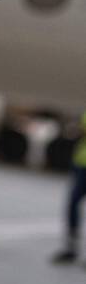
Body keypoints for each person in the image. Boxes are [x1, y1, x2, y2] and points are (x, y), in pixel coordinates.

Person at [50, 111, 86, 264]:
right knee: (73, 204)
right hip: (82, 164)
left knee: (73, 203)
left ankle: (71, 248)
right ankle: (71, 248)